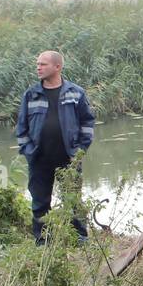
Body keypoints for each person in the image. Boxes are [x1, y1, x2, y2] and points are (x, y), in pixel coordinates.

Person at [15, 50, 95, 243]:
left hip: (69, 158)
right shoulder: (31, 94)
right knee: (40, 202)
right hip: (39, 159)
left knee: (73, 200)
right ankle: (43, 241)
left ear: (57, 67)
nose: (38, 67)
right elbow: (21, 127)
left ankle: (79, 238)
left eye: (43, 64)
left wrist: (80, 151)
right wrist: (28, 151)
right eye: (37, 64)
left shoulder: (75, 93)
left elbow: (87, 123)